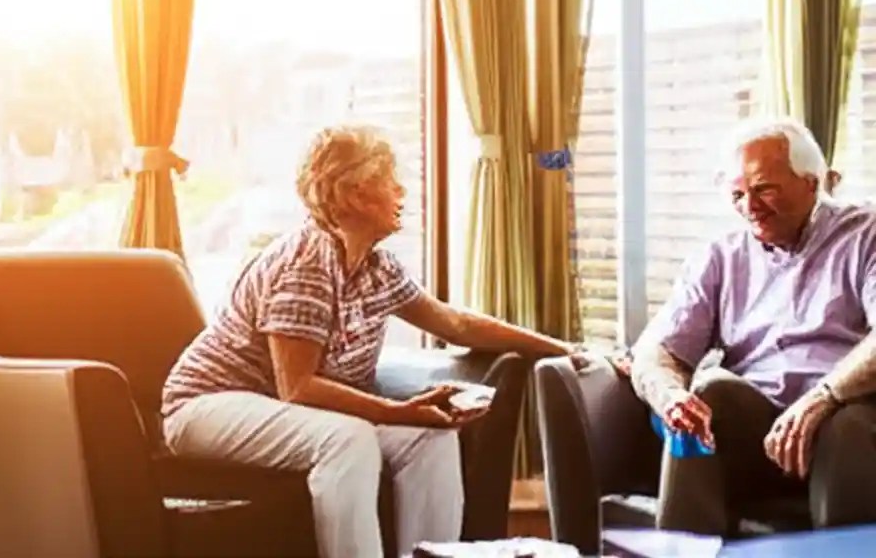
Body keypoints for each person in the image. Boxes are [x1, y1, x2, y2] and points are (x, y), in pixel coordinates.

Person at [161, 125, 581, 558]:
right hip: (208, 405)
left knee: (429, 437)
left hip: (281, 408)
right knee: (349, 439)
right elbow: (298, 387)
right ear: (357, 195)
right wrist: (395, 411)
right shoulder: (307, 265)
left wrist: (563, 348)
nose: (401, 192)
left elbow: (454, 323)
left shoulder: (378, 267)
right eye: (391, 181)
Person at [630, 116, 876, 535]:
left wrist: (823, 397)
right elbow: (656, 350)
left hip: (847, 411)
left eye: (764, 189)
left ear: (811, 182)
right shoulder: (721, 256)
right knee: (706, 397)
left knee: (846, 425)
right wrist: (670, 395)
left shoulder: (865, 233)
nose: (750, 206)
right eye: (738, 195)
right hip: (760, 425)